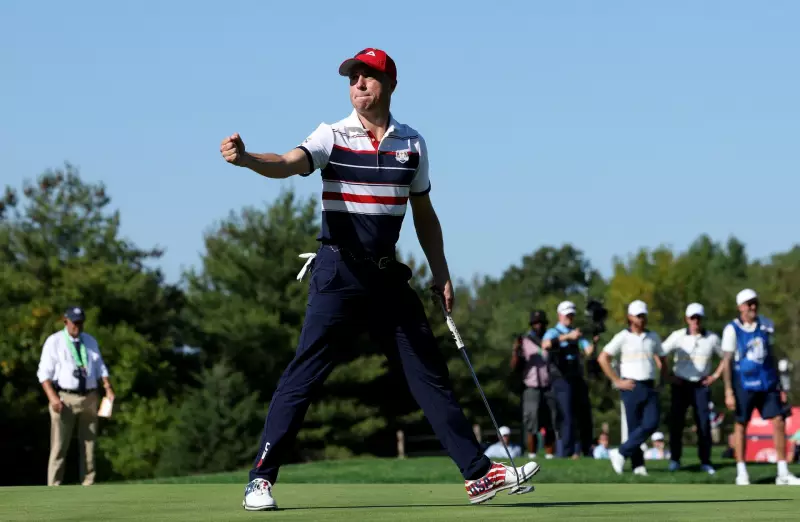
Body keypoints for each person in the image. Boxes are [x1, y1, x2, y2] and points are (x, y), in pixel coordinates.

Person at [220, 48, 539, 511]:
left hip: (387, 276)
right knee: (304, 375)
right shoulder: (332, 135)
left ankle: (478, 473)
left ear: (389, 84)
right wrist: (249, 159)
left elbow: (424, 214)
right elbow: (289, 162)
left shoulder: (412, 144)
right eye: (353, 79)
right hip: (338, 271)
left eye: (368, 78)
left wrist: (441, 271)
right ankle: (260, 479)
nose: (358, 85)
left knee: (428, 372)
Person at [722, 288, 800, 486]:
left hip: (767, 383)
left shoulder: (766, 325)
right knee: (741, 425)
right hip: (743, 384)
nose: (753, 307)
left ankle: (782, 472)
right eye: (748, 304)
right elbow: (726, 362)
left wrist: (780, 385)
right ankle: (742, 472)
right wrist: (728, 391)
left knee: (779, 421)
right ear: (740, 307)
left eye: (754, 303)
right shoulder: (732, 329)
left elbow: (771, 354)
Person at [36, 307, 115, 486]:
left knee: (89, 445)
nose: (77, 326)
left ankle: (88, 484)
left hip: (90, 396)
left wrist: (108, 388)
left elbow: (100, 367)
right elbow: (43, 374)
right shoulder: (55, 341)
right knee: (59, 446)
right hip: (65, 398)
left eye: (80, 322)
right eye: (74, 322)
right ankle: (54, 486)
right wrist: (52, 397)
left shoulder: (90, 341)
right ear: (66, 321)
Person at [597, 300, 666, 476]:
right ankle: (638, 465)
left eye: (643, 315)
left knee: (651, 423)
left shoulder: (653, 337)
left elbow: (663, 360)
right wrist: (617, 381)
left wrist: (662, 381)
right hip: (630, 386)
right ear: (630, 317)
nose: (642, 319)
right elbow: (603, 358)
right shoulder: (623, 337)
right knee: (635, 428)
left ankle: (620, 452)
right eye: (638, 316)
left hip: (649, 385)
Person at [661, 303, 724, 474]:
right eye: (692, 318)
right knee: (677, 423)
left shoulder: (711, 338)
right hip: (681, 384)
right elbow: (660, 352)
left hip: (701, 385)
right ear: (687, 319)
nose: (695, 321)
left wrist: (716, 375)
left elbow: (727, 356)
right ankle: (675, 459)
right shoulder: (678, 336)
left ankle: (705, 461)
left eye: (698, 318)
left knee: (703, 424)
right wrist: (667, 375)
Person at [542, 301, 597, 458]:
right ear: (560, 315)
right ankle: (565, 452)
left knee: (581, 414)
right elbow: (545, 345)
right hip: (560, 378)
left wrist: (593, 340)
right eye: (567, 315)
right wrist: (567, 337)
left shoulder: (577, 333)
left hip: (576, 377)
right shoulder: (553, 332)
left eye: (572, 315)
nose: (570, 318)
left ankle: (581, 450)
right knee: (566, 415)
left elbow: (588, 352)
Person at [511, 310, 558, 459]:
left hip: (549, 386)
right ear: (531, 325)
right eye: (536, 323)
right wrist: (516, 350)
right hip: (531, 387)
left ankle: (550, 455)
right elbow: (514, 367)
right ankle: (532, 454)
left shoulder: (550, 339)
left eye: (541, 323)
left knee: (550, 422)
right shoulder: (525, 341)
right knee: (531, 423)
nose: (538, 326)